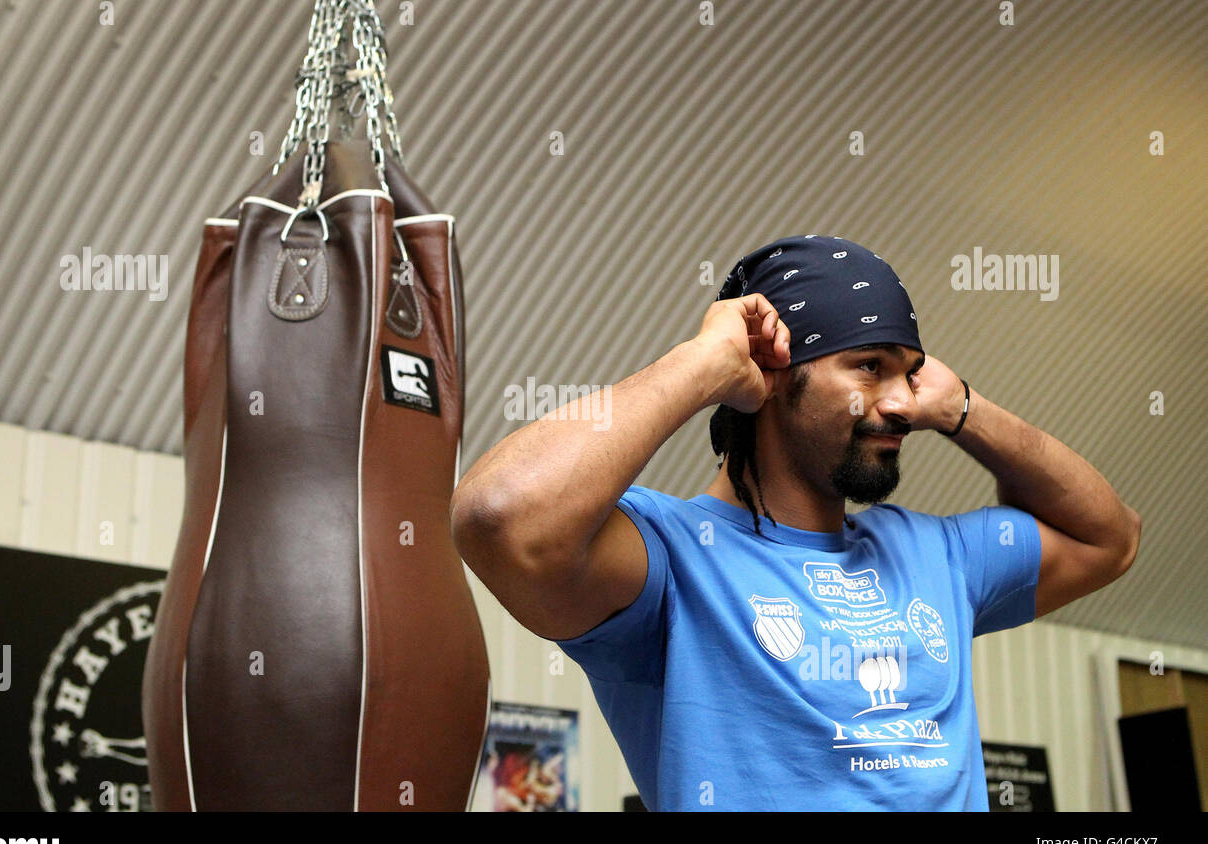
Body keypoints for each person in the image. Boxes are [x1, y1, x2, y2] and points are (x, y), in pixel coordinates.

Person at [450, 235, 1141, 811]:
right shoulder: (673, 561)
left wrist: (965, 407)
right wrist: (704, 365)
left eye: (911, 373)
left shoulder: (938, 554)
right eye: (869, 366)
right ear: (776, 373)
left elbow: (1110, 538)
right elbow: (498, 515)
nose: (902, 403)